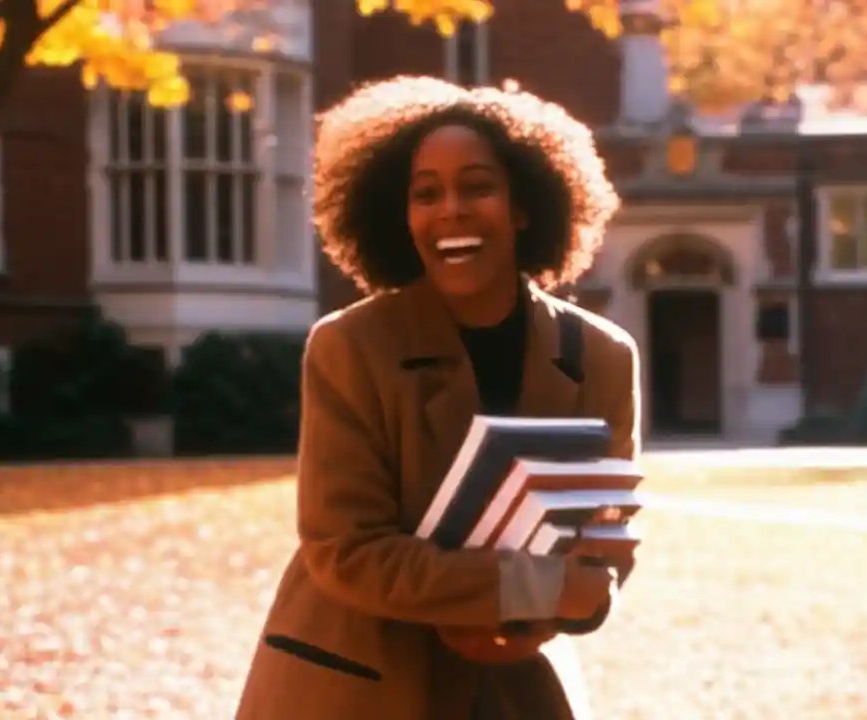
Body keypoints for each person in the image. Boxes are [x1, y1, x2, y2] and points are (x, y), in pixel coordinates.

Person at [233, 75, 641, 720]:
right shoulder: (348, 347)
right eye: (426, 194)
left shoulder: (604, 357)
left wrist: (578, 603)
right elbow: (347, 550)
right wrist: (530, 588)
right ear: (402, 217)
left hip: (515, 690)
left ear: (524, 205)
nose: (450, 209)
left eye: (478, 187)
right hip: (357, 684)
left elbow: (604, 541)